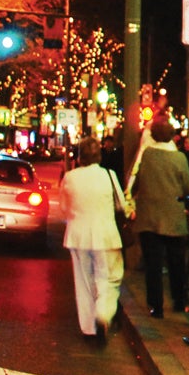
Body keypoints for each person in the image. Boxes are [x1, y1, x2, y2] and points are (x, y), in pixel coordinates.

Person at [63, 136, 127, 344]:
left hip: (77, 235)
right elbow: (121, 205)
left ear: (79, 157)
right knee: (109, 278)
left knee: (83, 281)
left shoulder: (70, 177)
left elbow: (64, 208)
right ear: (99, 155)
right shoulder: (109, 175)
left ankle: (88, 328)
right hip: (106, 234)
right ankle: (103, 314)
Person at [129, 117, 189, 320]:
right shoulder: (179, 158)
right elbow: (188, 185)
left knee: (153, 265)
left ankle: (156, 306)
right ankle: (179, 300)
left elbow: (137, 181)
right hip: (173, 216)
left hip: (149, 217)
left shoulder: (147, 155)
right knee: (177, 262)